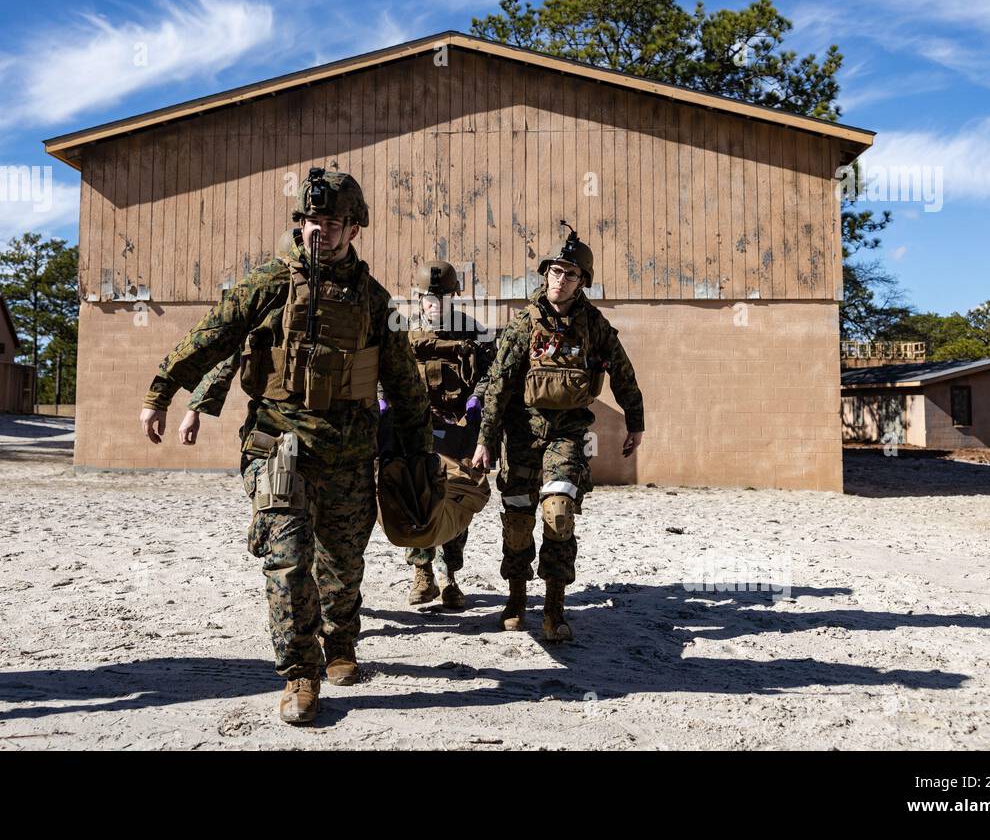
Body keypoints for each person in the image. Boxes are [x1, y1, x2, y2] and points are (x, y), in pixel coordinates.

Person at [138, 165, 431, 724]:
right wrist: (162, 391)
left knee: (342, 563)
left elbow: (405, 385)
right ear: (300, 223)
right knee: (289, 558)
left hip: (349, 452)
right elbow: (211, 336)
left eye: (333, 222)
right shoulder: (269, 284)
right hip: (280, 442)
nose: (320, 231)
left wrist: (418, 457)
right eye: (311, 220)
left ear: (354, 228)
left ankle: (340, 639)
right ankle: (300, 672)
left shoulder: (374, 301)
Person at [472, 225, 645, 642]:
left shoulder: (594, 326)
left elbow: (623, 374)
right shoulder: (523, 324)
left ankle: (554, 608)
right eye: (553, 271)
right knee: (516, 519)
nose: (559, 280)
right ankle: (516, 600)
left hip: (566, 435)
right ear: (544, 274)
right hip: (521, 434)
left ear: (582, 280)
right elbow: (498, 384)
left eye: (569, 274)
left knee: (559, 513)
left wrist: (635, 424)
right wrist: (485, 440)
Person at [395, 260, 495, 610]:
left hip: (458, 432)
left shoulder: (473, 333)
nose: (435, 305)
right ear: (419, 299)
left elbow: (492, 374)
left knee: (455, 502)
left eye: (442, 299)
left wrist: (476, 398)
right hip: (417, 432)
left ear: (454, 299)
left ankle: (450, 575)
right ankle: (422, 572)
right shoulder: (403, 333)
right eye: (428, 299)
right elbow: (386, 375)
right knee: (417, 498)